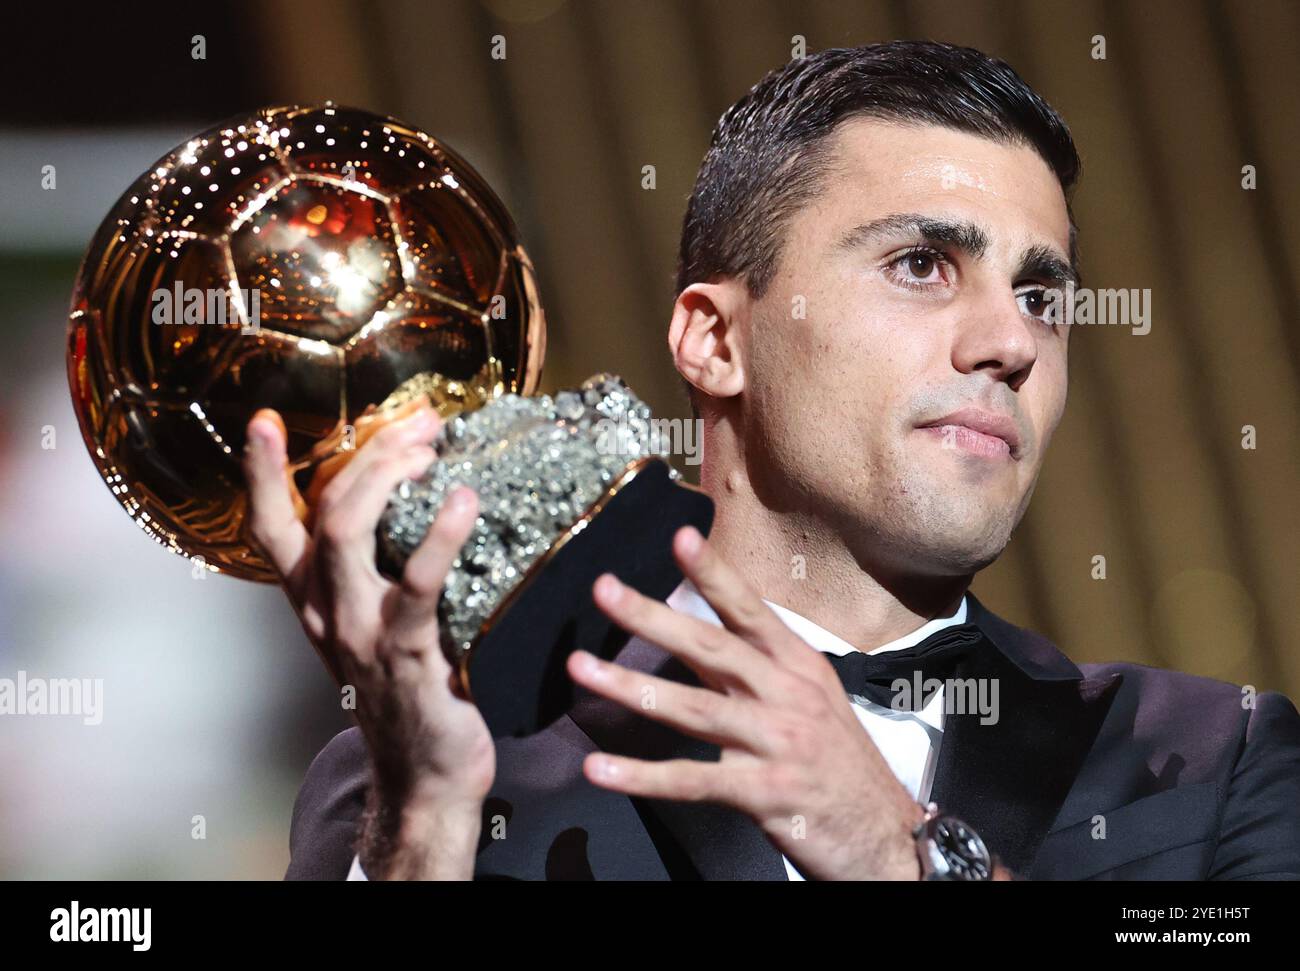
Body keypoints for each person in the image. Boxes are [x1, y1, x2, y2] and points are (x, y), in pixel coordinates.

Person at [244, 41, 1300, 880]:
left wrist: (901, 858)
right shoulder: (441, 770)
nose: (1012, 343)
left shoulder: (1221, 758)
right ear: (713, 338)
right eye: (922, 264)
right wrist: (423, 825)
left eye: (1038, 295)